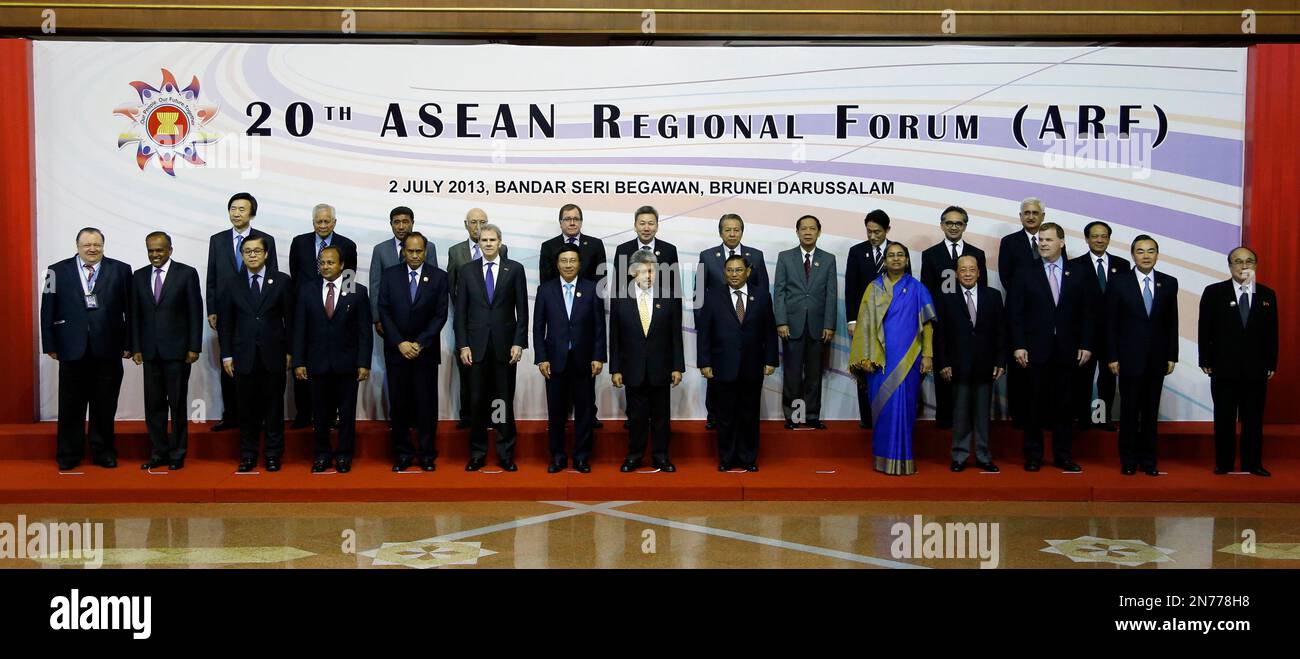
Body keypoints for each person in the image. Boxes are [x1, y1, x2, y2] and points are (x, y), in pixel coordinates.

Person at [41, 227, 133, 471]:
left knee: (105, 405)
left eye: (97, 245)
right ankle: (68, 454)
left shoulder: (122, 270)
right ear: (77, 246)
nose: (92, 249)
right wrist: (49, 343)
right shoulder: (54, 271)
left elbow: (131, 311)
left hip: (109, 348)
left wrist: (129, 343)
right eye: (87, 245)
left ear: (103, 245)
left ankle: (103, 452)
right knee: (71, 405)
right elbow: (46, 309)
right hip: (71, 348)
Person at [1007, 222, 1093, 473]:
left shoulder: (1079, 272)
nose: (1042, 243)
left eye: (1048, 240)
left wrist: (1086, 343)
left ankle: (1063, 455)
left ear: (1061, 243)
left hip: (1068, 350)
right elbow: (1015, 312)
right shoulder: (1025, 271)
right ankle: (1033, 455)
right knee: (1033, 404)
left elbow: (1089, 312)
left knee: (1065, 405)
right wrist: (1019, 344)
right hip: (1035, 350)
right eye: (1040, 240)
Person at [848, 242, 934, 475]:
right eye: (891, 255)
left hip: (909, 361)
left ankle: (904, 461)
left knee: (904, 411)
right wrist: (865, 357)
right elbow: (864, 326)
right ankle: (882, 461)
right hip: (879, 362)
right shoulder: (873, 288)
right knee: (883, 412)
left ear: (907, 260)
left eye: (900, 255)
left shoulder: (918, 288)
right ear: (884, 261)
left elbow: (927, 326)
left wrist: (928, 354)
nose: (896, 259)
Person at [292, 245, 372, 473]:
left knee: (346, 415)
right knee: (320, 414)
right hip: (316, 364)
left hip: (347, 364)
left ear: (341, 265)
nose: (325, 267)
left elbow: (364, 331)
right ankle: (322, 455)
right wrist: (299, 361)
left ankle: (345, 455)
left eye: (330, 263)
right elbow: (299, 329)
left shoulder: (357, 291)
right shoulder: (307, 290)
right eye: (322, 263)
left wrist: (364, 363)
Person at [455, 223, 528, 472]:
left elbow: (523, 311)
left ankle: (505, 452)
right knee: (476, 402)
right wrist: (463, 344)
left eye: (492, 240)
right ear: (479, 243)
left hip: (504, 348)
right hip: (474, 348)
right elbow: (460, 313)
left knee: (502, 402)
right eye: (484, 240)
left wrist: (519, 342)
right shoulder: (466, 271)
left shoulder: (515, 269)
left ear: (500, 242)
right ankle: (477, 453)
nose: (487, 244)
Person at [1199, 246, 1277, 477]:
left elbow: (1273, 333)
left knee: (1253, 419)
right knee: (1224, 418)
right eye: (1238, 261)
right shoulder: (1214, 292)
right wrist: (1205, 358)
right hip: (1223, 367)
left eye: (1249, 261)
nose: (1244, 266)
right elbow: (1205, 329)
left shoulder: (1266, 295)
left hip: (1256, 369)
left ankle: (1253, 464)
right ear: (1230, 265)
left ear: (1256, 265)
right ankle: (1223, 463)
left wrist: (1271, 363)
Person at [219, 235, 294, 473]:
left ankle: (273, 454)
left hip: (274, 354)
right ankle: (248, 455)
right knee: (246, 410)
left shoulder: (282, 281)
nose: (252, 255)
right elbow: (226, 324)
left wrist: (291, 351)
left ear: (266, 254)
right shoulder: (231, 283)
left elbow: (291, 320)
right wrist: (226, 355)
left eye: (256, 251)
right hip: (243, 355)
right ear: (242, 255)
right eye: (247, 251)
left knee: (274, 409)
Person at [697, 254, 778, 472]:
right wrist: (704, 362)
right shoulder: (713, 296)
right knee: (725, 416)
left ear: (748, 272)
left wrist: (771, 359)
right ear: (725, 272)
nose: (734, 274)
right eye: (730, 270)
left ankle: (748, 458)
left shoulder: (761, 296)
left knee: (749, 414)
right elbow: (704, 332)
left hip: (753, 365)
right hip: (722, 366)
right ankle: (726, 459)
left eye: (739, 270)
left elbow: (770, 330)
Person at [206, 192, 278, 432]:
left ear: (252, 213)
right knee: (230, 360)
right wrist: (212, 309)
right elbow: (212, 278)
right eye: (233, 209)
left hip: (257, 308)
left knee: (257, 364)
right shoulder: (217, 240)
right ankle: (231, 415)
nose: (236, 213)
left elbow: (273, 276)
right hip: (228, 309)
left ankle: (260, 416)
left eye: (242, 209)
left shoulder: (265, 239)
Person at [1106, 235, 1178, 476]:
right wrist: (1112, 356)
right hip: (1128, 358)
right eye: (1140, 251)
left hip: (1157, 359)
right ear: (1132, 255)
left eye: (1150, 251)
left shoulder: (1168, 283)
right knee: (1129, 412)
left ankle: (1149, 461)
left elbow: (1172, 322)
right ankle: (1128, 460)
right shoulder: (1119, 282)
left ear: (1157, 254)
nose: (1146, 255)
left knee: (1150, 413)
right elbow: (1111, 323)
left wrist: (1172, 355)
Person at [131, 232, 203, 471]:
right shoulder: (139, 276)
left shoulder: (186, 273)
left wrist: (194, 347)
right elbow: (135, 315)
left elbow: (195, 311)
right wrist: (136, 347)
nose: (155, 255)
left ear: (170, 250)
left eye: (159, 250)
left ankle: (178, 452)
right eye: (151, 250)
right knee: (153, 406)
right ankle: (158, 452)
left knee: (178, 404)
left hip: (178, 352)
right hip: (150, 352)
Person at [533, 244, 607, 473]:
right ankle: (557, 456)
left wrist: (599, 356)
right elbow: (538, 328)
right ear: (557, 264)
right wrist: (541, 358)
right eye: (563, 261)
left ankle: (582, 456)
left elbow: (599, 327)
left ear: (579, 263)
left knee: (585, 412)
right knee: (556, 413)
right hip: (554, 362)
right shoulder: (545, 290)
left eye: (572, 261)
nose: (568, 265)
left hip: (584, 361)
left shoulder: (592, 288)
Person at [378, 232, 448, 472]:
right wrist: (400, 343)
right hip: (397, 352)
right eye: (411, 251)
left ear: (426, 251)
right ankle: (403, 454)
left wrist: (419, 343)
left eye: (419, 251)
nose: (415, 255)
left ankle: (427, 454)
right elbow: (383, 311)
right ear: (403, 252)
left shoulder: (439, 277)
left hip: (425, 353)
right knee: (399, 405)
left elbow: (440, 315)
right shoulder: (390, 276)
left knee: (426, 406)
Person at [609, 250, 684, 472]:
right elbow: (615, 337)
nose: (648, 275)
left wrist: (677, 367)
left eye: (652, 270)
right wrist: (615, 369)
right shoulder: (620, 299)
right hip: (632, 368)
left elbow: (675, 336)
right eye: (643, 270)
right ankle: (634, 456)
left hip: (661, 368)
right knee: (636, 417)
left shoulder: (668, 297)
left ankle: (661, 456)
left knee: (661, 416)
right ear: (633, 272)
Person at [695, 213, 769, 430]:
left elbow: (762, 293)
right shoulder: (707, 256)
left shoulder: (756, 256)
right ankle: (714, 415)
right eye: (727, 229)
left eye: (736, 229)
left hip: (747, 335)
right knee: (716, 380)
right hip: (718, 333)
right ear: (720, 232)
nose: (732, 233)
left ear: (742, 232)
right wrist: (705, 329)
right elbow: (699, 295)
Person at [288, 203, 359, 429]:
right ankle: (303, 413)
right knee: (304, 361)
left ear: (334, 222)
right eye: (319, 221)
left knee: (335, 368)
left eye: (327, 221)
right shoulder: (299, 243)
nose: (323, 225)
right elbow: (295, 277)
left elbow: (349, 284)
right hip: (306, 313)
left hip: (335, 316)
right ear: (313, 222)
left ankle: (335, 414)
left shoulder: (347, 245)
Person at [537, 203, 608, 429]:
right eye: (567, 218)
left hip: (585, 320)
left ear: (581, 221)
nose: (571, 222)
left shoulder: (595, 245)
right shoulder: (549, 247)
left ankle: (588, 418)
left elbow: (601, 280)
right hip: (559, 321)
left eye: (576, 218)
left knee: (586, 396)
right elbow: (546, 281)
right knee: (558, 402)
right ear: (560, 222)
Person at [933, 255, 1005, 472]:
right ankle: (960, 456)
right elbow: (940, 335)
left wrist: (1001, 360)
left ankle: (983, 456)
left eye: (971, 270)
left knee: (983, 415)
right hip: (957, 365)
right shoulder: (946, 298)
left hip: (986, 365)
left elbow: (1001, 332)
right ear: (956, 273)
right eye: (963, 270)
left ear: (979, 272)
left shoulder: (993, 296)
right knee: (961, 414)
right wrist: (943, 362)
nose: (967, 274)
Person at [920, 205, 988, 429]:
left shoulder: (977, 254)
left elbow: (983, 292)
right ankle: (945, 421)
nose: (953, 227)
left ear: (965, 226)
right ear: (941, 225)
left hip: (970, 325)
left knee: (971, 373)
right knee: (945, 372)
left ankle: (970, 422)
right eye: (949, 223)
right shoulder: (930, 255)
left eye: (958, 223)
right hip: (942, 324)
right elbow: (926, 292)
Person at [844, 209, 912, 428]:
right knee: (866, 366)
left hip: (894, 322)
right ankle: (868, 417)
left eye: (877, 232)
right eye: (869, 231)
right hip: (865, 321)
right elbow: (851, 288)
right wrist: (852, 320)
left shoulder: (896, 252)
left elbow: (907, 284)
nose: (872, 236)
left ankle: (890, 413)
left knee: (889, 366)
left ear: (888, 230)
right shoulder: (856, 252)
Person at [774, 215, 838, 430]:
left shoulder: (828, 259)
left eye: (812, 228)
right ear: (797, 232)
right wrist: (781, 321)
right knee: (792, 374)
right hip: (791, 326)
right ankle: (792, 416)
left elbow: (831, 295)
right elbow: (779, 292)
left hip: (819, 327)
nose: (808, 232)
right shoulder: (785, 257)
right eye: (804, 228)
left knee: (814, 374)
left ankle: (811, 415)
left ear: (819, 232)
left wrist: (829, 325)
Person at [446, 208, 506, 428]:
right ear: (466, 224)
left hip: (495, 327)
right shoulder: (456, 251)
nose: (478, 226)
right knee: (468, 375)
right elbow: (452, 287)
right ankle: (468, 416)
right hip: (470, 325)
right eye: (474, 222)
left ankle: (494, 417)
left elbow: (501, 287)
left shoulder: (502, 249)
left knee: (495, 378)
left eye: (482, 221)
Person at [1069, 220, 1128, 431]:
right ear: (1086, 239)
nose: (1099, 240)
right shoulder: (1074, 266)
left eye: (1104, 236)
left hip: (1112, 333)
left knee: (1108, 377)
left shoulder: (1122, 265)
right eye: (1095, 236)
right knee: (1083, 377)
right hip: (1084, 333)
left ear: (1109, 239)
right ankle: (1083, 417)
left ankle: (1103, 418)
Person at [998, 197, 1047, 428]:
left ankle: (1044, 417)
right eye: (1026, 212)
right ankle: (1018, 417)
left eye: (1035, 213)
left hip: (1048, 318)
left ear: (1042, 216)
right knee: (1019, 369)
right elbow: (1006, 276)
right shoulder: (1009, 242)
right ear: (1020, 216)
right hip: (1018, 314)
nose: (1030, 216)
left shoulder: (1051, 241)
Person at [370, 206, 434, 338]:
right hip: (390, 319)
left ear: (412, 223)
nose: (401, 227)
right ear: (391, 224)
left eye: (405, 222)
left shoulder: (428, 247)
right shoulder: (380, 250)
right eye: (396, 222)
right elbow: (375, 286)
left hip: (422, 320)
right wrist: (377, 318)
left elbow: (434, 284)